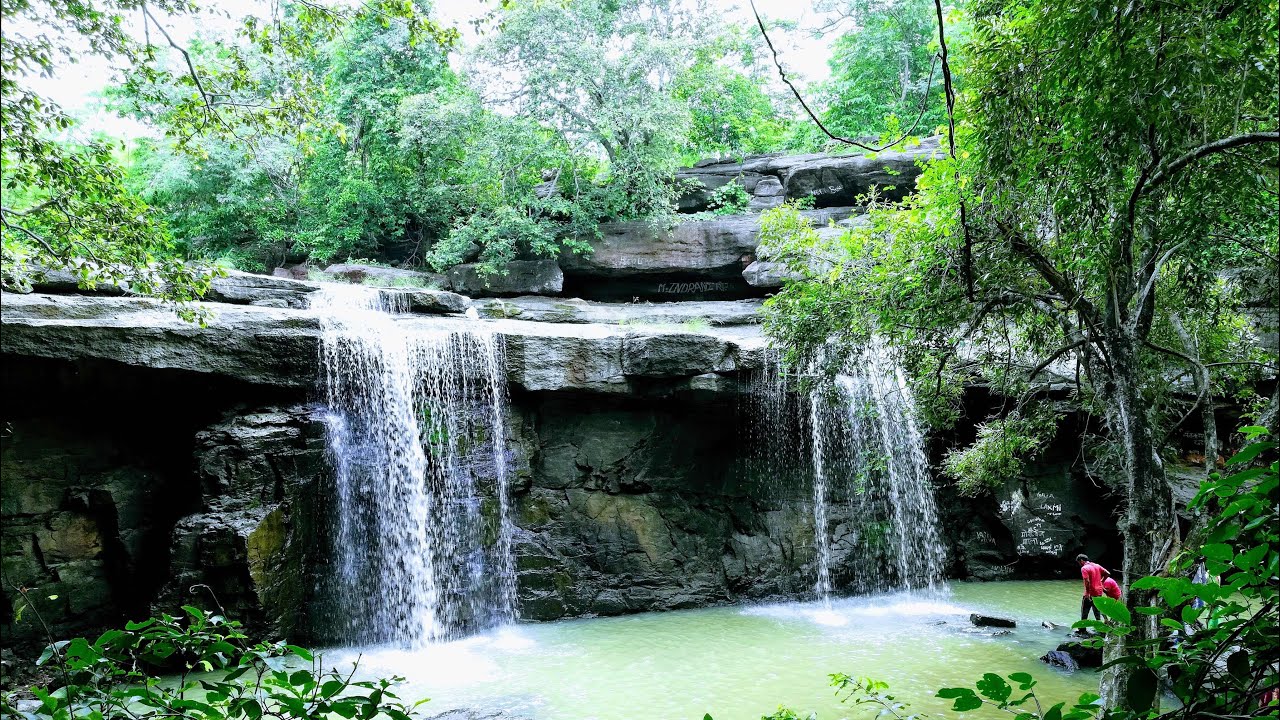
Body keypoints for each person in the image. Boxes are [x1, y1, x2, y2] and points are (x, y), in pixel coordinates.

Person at [1077, 553, 1110, 622]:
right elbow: (1107, 573)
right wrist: (1101, 581)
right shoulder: (1097, 565)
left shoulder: (1084, 568)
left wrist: (1087, 593)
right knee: (1097, 612)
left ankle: (1082, 630)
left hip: (1091, 593)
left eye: (1079, 562)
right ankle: (1100, 630)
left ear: (1081, 560)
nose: (1079, 564)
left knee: (1084, 612)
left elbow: (1087, 581)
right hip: (1099, 592)